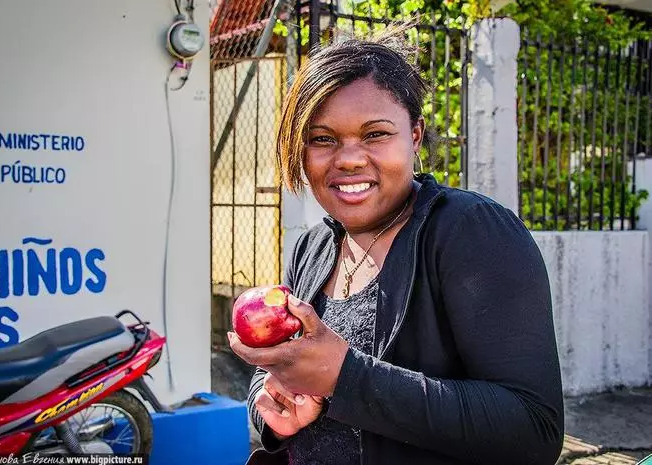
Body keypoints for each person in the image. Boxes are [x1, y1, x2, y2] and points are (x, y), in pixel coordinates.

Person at [228, 24, 565, 465]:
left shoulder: (471, 232)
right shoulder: (311, 248)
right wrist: (269, 405)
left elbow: (532, 429)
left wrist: (345, 377)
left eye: (375, 134)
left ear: (415, 136)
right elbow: (278, 365)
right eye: (323, 139)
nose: (348, 158)